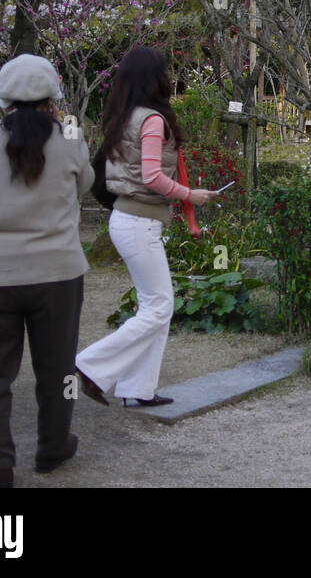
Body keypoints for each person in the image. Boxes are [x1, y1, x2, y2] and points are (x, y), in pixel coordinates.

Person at [0, 54, 93, 487]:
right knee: (59, 369)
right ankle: (53, 447)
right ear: (53, 98)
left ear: (3, 99)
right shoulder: (71, 138)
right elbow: (85, 185)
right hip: (58, 272)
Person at [75, 48, 218, 408]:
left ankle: (137, 388)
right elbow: (152, 176)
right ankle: (89, 365)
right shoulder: (153, 120)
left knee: (154, 306)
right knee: (159, 306)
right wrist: (190, 195)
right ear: (156, 78)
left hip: (128, 219)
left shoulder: (125, 116)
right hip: (139, 222)